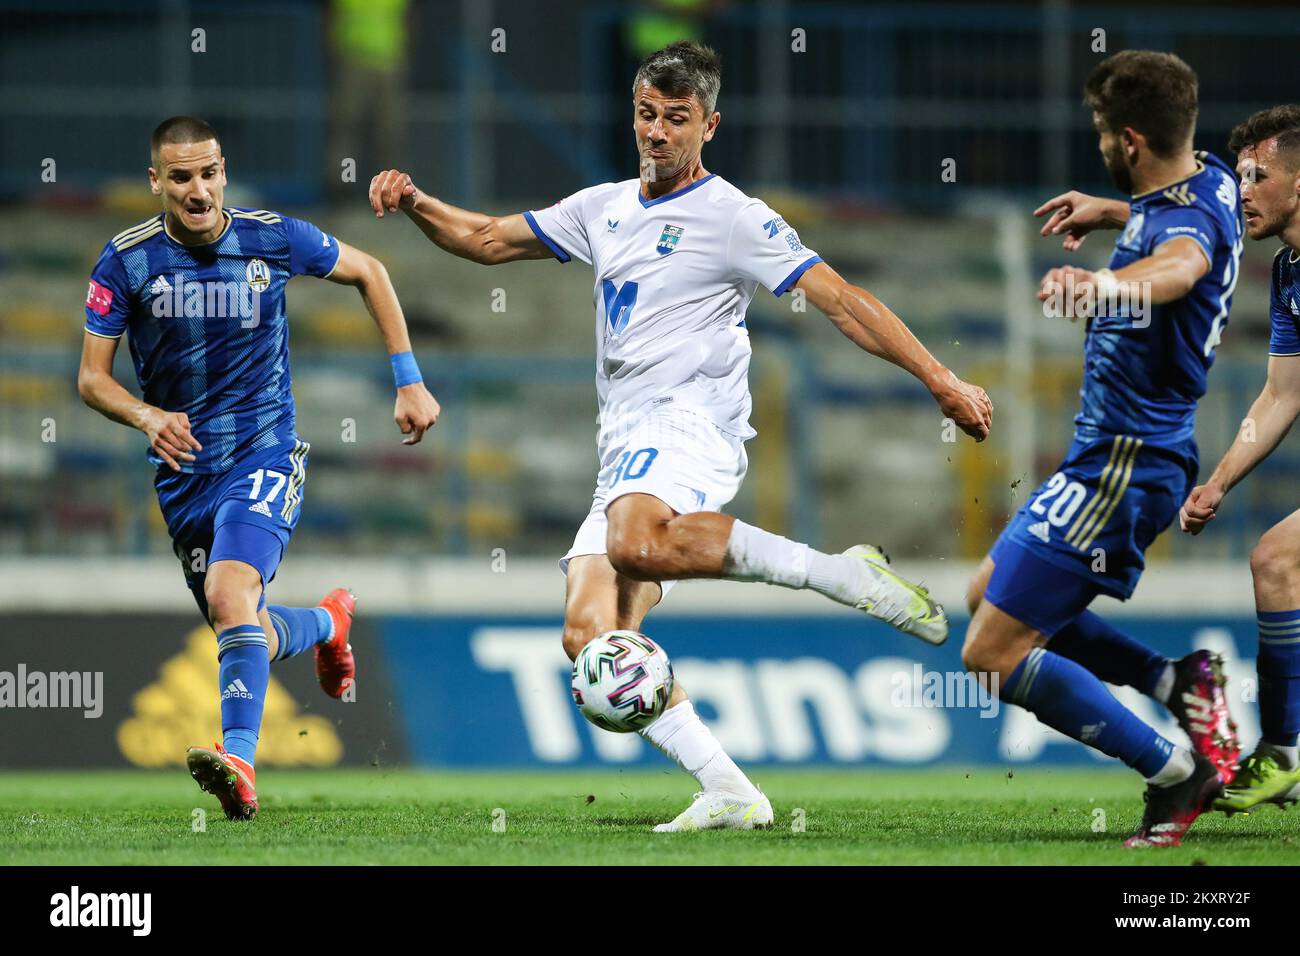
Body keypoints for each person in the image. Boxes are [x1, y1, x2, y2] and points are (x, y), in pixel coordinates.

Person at [369, 42, 991, 832]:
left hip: (692, 421)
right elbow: (487, 239)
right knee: (590, 637)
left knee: (634, 544)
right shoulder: (603, 207)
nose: (656, 132)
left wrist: (941, 379)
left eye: (676, 119)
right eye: (645, 114)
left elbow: (841, 298)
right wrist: (419, 200)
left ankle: (842, 574)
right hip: (625, 440)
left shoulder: (735, 217)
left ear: (710, 126)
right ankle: (732, 790)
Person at [78, 116, 440, 821]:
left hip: (265, 451)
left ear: (223, 171)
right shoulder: (124, 261)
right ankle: (330, 624)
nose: (198, 188)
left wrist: (408, 378)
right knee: (240, 620)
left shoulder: (272, 237)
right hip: (183, 472)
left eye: (208, 172)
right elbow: (93, 379)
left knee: (228, 595)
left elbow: (371, 270)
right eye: (180, 176)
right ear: (157, 182)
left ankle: (240, 763)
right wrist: (147, 416)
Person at [963, 51, 1242, 847]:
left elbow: (1182, 266)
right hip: (1115, 456)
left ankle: (1177, 772)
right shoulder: (1210, 181)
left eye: (1099, 133)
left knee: (988, 654)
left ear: (1129, 138)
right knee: (985, 595)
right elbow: (1182, 225)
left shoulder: (1180, 234)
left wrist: (1103, 286)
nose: (1098, 145)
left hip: (1125, 461)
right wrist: (1112, 210)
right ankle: (1174, 681)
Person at [1181, 105, 1300, 813]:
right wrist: (1217, 482)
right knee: (1275, 562)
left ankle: (1284, 750)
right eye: (1238, 175)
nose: (1243, 189)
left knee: (1279, 562)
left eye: (1258, 175)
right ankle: (1283, 753)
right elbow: (1283, 395)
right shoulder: (1288, 274)